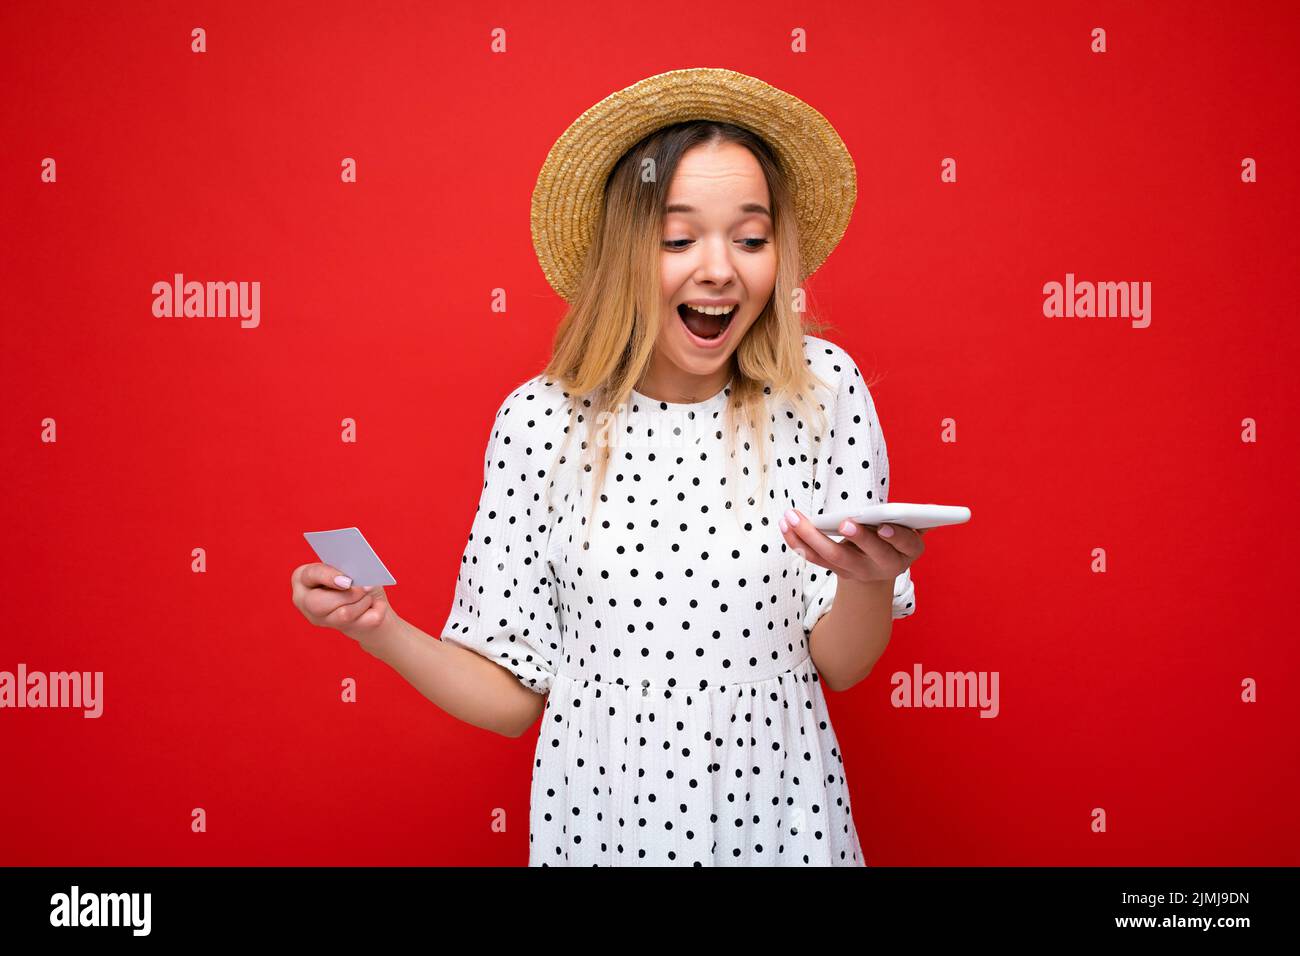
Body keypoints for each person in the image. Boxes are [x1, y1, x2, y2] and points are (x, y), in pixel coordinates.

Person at [291, 68, 927, 866]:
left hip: (780, 824)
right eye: (678, 238)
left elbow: (843, 663)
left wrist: (867, 574)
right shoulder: (539, 422)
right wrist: (380, 629)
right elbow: (513, 699)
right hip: (602, 831)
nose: (721, 269)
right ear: (626, 251)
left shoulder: (823, 393)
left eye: (752, 238)